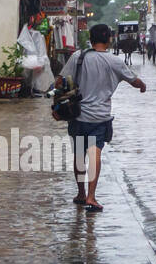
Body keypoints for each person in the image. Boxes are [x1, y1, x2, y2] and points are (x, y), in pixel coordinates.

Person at [57, 23, 148, 213]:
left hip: (78, 115)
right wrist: (142, 86)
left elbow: (60, 81)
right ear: (109, 40)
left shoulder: (78, 57)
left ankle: (81, 193)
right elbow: (134, 81)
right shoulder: (115, 61)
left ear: (90, 39)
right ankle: (91, 196)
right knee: (95, 153)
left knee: (79, 155)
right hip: (100, 117)